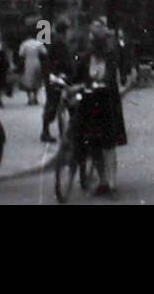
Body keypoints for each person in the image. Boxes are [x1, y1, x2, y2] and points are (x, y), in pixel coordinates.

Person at [73, 18, 128, 197]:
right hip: (90, 104)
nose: (93, 44)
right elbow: (78, 77)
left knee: (108, 145)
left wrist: (101, 83)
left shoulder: (110, 58)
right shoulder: (86, 58)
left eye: (96, 40)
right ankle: (103, 180)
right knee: (94, 144)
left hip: (106, 104)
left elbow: (111, 79)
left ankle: (111, 183)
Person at [41, 21, 73, 143]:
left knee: (53, 104)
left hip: (54, 76)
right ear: (64, 32)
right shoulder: (59, 43)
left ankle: (48, 131)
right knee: (53, 104)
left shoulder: (55, 42)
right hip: (57, 77)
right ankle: (45, 132)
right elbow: (62, 61)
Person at [17, 25, 46, 106]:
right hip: (37, 62)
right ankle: (36, 98)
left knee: (28, 80)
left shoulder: (24, 44)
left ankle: (29, 99)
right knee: (37, 80)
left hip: (27, 63)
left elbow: (21, 54)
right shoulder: (39, 43)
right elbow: (44, 53)